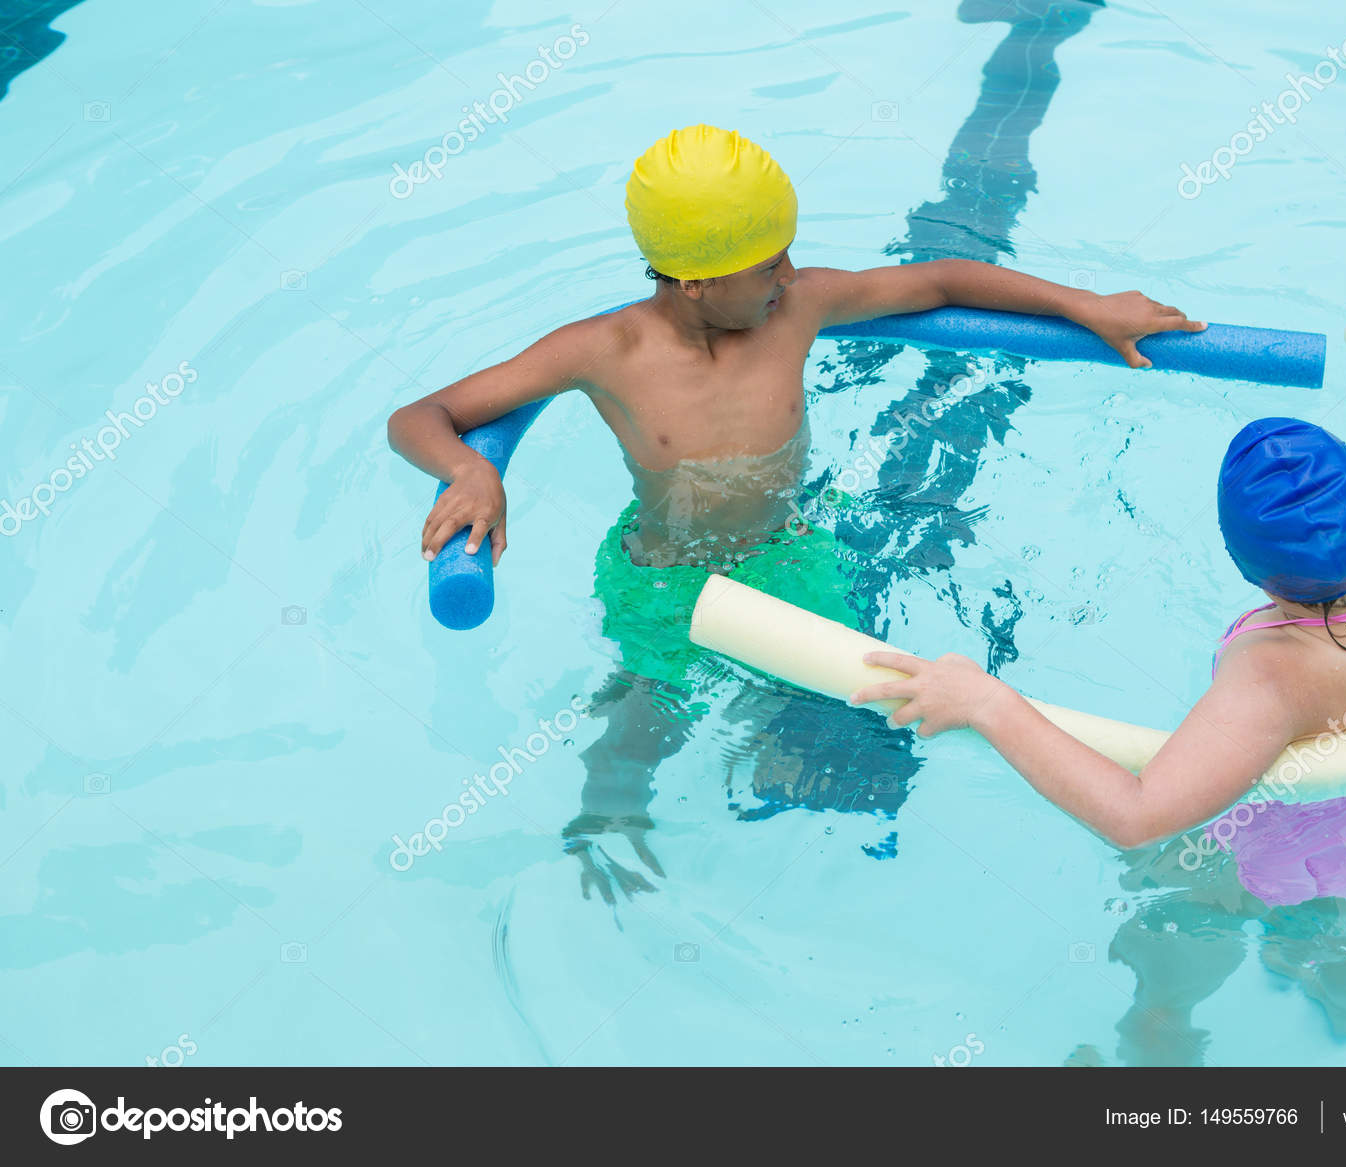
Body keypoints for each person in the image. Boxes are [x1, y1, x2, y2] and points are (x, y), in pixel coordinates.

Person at [387, 123, 1204, 899]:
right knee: (640, 735)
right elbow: (419, 416)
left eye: (787, 257)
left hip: (788, 553)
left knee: (860, 719)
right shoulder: (605, 352)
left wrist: (1086, 305)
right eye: (768, 267)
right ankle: (603, 828)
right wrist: (472, 473)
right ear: (698, 281)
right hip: (667, 585)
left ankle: (791, 784)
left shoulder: (798, 307)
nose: (789, 276)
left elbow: (946, 279)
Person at [850, 340, 1346, 848]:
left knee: (1164, 951)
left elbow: (1136, 817)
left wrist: (988, 701)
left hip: (1262, 832)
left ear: (1249, 572)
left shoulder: (1269, 681)